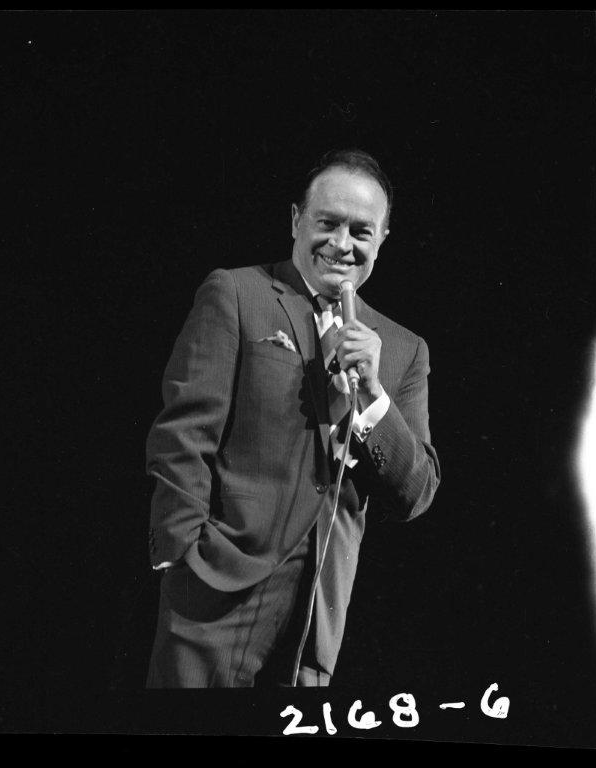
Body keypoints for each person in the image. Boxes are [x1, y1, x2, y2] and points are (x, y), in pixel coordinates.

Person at [145, 148, 440, 688]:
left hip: (318, 617)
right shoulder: (238, 293)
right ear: (296, 220)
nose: (342, 244)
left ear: (383, 240)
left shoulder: (402, 349)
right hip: (216, 592)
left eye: (361, 231)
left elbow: (416, 493)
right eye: (327, 223)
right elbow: (183, 434)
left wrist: (374, 395)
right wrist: (182, 555)